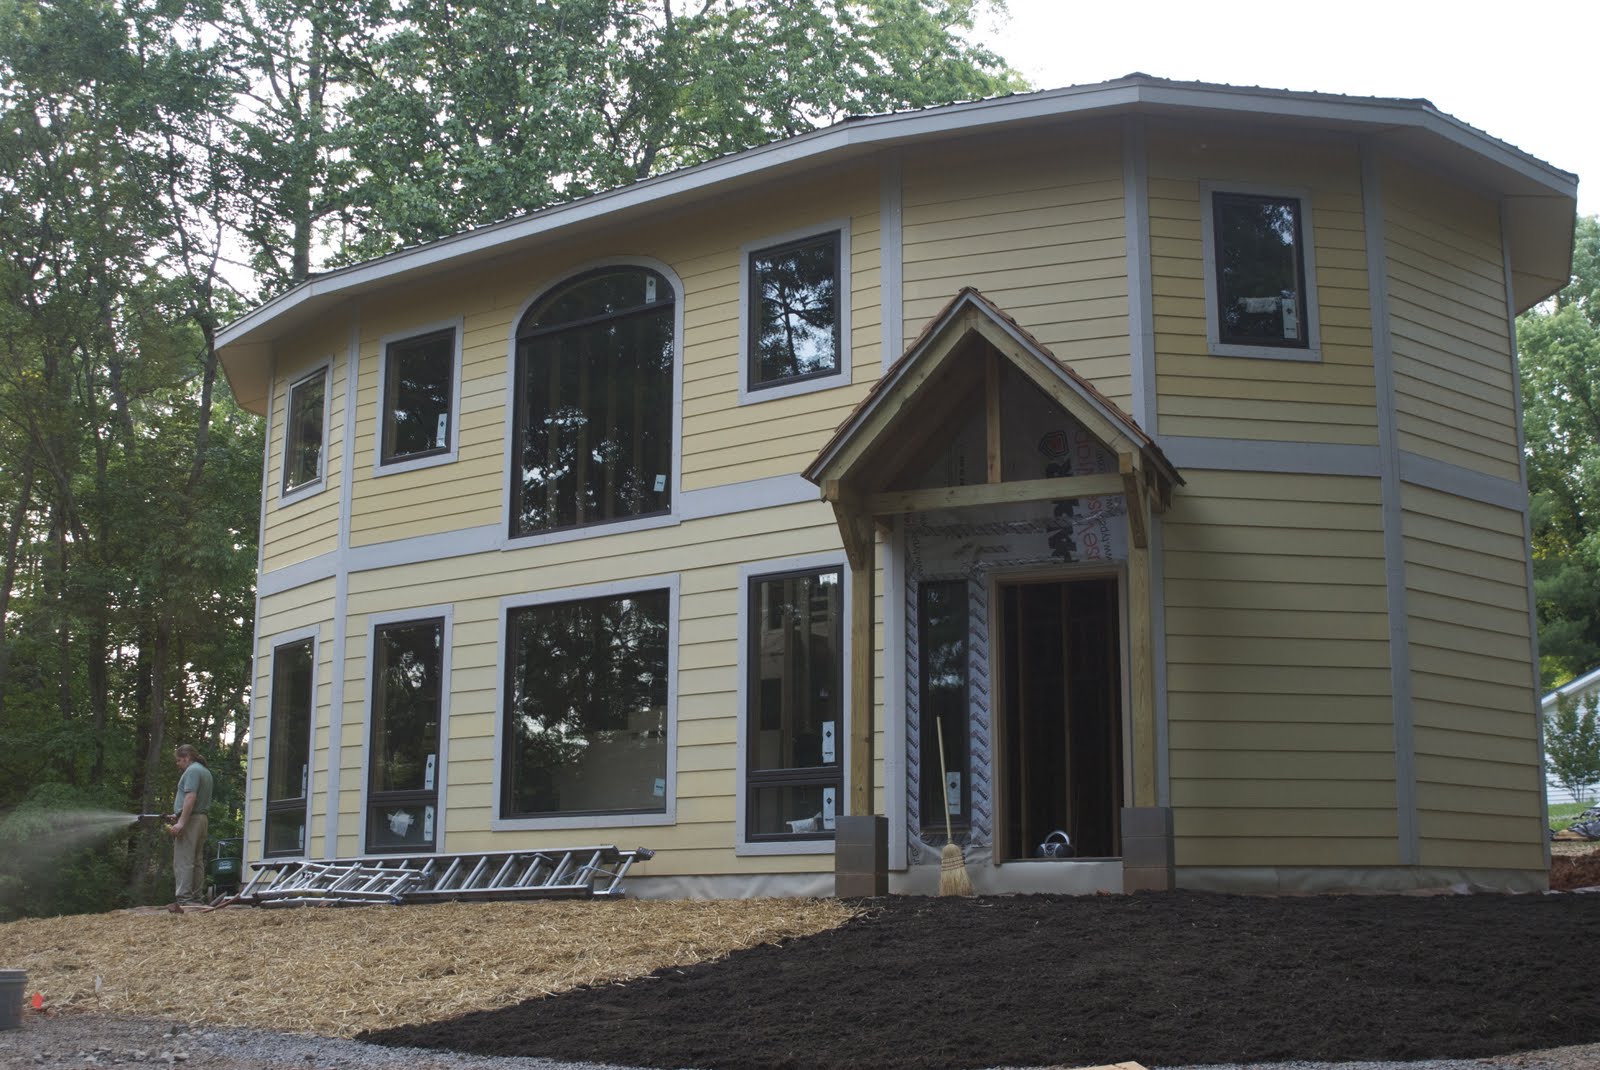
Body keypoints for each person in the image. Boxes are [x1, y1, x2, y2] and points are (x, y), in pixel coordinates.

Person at [167, 744, 214, 911]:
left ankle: (185, 899)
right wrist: (178, 814)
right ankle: (196, 897)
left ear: (187, 758)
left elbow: (191, 797)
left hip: (191, 821)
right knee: (196, 860)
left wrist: (181, 822)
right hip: (201, 819)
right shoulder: (204, 771)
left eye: (179, 760)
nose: (177, 764)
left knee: (184, 859)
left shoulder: (192, 771)